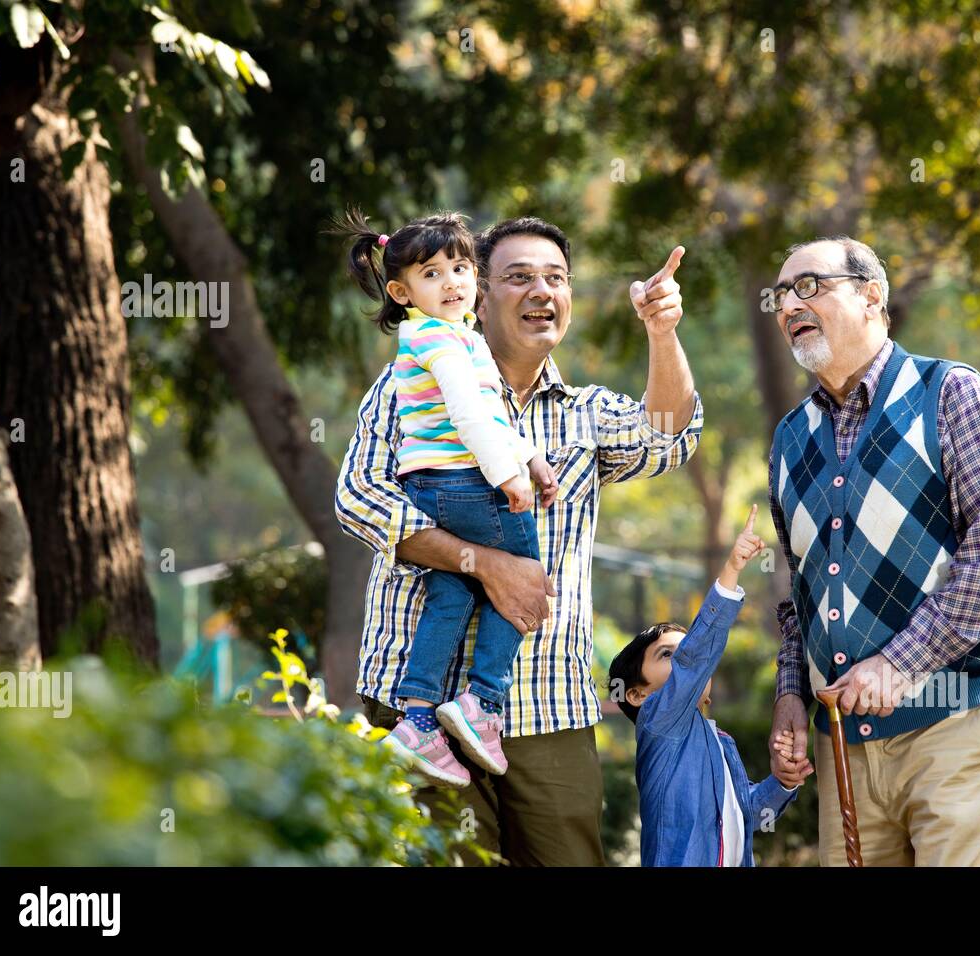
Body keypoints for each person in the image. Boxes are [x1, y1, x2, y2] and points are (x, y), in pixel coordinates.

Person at [335, 216, 701, 865]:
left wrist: (662, 333)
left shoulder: (586, 411)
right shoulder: (407, 386)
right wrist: (485, 564)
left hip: (547, 711)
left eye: (555, 277)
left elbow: (669, 435)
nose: (541, 290)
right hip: (415, 706)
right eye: (519, 276)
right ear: (480, 293)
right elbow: (359, 498)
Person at [765, 236, 980, 866]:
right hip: (844, 749)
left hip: (957, 722)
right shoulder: (787, 437)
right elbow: (802, 591)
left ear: (871, 296)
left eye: (810, 286)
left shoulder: (950, 392)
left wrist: (899, 664)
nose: (789, 306)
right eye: (780, 296)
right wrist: (790, 695)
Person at [332, 209, 560, 787]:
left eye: (459, 268)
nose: (453, 282)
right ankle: (482, 700)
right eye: (432, 274)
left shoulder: (447, 338)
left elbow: (490, 415)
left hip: (430, 488)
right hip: (466, 482)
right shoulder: (443, 342)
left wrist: (530, 455)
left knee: (453, 592)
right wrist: (511, 475)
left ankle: (416, 718)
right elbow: (468, 415)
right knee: (526, 575)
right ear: (401, 291)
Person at [609, 505, 802, 867]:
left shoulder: (721, 743)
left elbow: (746, 811)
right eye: (668, 655)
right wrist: (732, 571)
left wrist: (783, 782)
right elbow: (695, 660)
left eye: (688, 654)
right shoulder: (658, 723)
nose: (686, 661)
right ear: (637, 693)